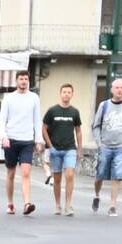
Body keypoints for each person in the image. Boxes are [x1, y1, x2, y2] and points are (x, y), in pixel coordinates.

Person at [0, 70, 43, 215]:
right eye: (21, 79)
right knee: (11, 173)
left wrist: (38, 140)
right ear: (16, 81)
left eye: (25, 79)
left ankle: (27, 203)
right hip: (11, 139)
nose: (23, 81)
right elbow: (1, 120)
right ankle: (10, 203)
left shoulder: (34, 98)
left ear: (28, 81)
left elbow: (37, 120)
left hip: (27, 140)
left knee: (26, 172)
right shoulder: (9, 98)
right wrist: (3, 136)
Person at [91, 79, 122, 216]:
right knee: (100, 175)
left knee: (118, 176)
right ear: (112, 89)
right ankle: (97, 195)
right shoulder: (104, 105)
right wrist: (99, 143)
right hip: (105, 146)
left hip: (120, 148)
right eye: (117, 87)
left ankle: (113, 205)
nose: (119, 90)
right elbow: (96, 125)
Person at [42, 82, 83, 216]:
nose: (66, 94)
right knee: (57, 178)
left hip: (70, 148)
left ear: (72, 94)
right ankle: (58, 205)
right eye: (64, 92)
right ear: (60, 94)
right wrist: (50, 146)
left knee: (70, 175)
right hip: (56, 149)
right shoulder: (52, 110)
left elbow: (78, 130)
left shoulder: (74, 112)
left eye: (69, 92)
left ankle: (68, 205)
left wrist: (80, 148)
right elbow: (44, 129)